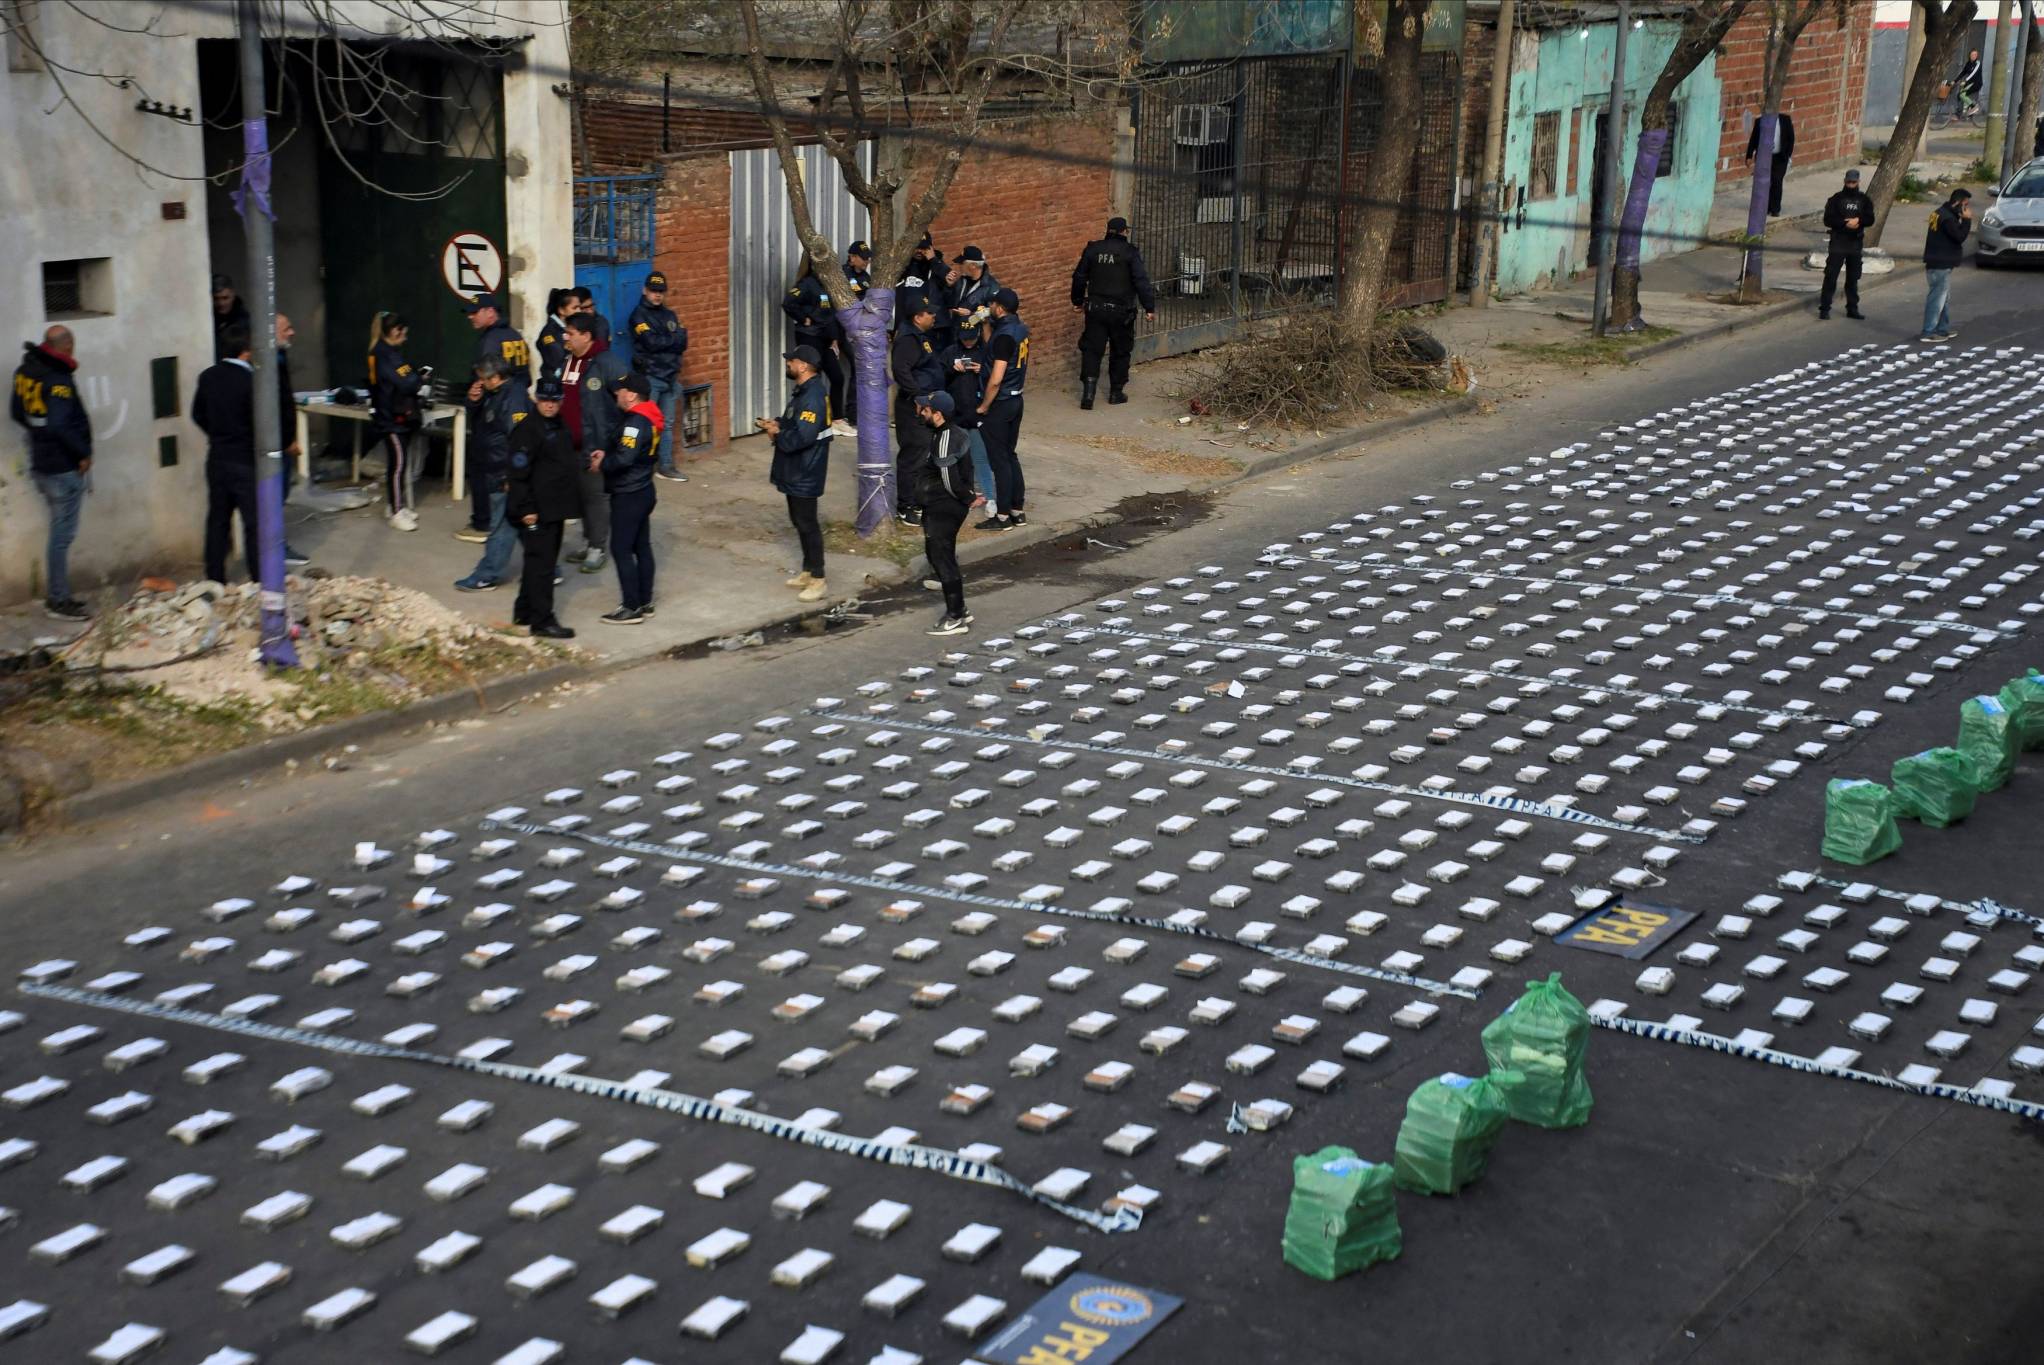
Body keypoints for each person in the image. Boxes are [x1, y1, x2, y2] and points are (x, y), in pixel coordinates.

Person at [10, 325, 92, 620]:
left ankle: (59, 595)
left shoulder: (27, 371)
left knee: (58, 533)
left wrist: (38, 433)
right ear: (67, 346)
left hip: (41, 463)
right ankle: (59, 599)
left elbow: (18, 413)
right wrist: (82, 453)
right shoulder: (58, 379)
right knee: (62, 536)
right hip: (62, 466)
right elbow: (59, 424)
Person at [508, 376, 581, 639]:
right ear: (536, 400)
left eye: (554, 400)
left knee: (539, 562)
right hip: (536, 509)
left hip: (555, 507)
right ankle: (542, 620)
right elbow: (518, 473)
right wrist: (527, 509)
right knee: (543, 566)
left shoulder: (557, 423)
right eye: (545, 400)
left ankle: (524, 611)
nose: (550, 405)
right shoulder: (528, 430)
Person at [454, 356, 535, 593]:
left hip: (504, 472)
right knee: (522, 525)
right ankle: (548, 568)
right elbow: (484, 421)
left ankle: (487, 575)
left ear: (496, 377)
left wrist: (513, 476)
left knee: (500, 525)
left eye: (484, 379)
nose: (481, 382)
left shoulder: (514, 398)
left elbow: (520, 440)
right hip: (496, 469)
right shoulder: (496, 394)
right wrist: (473, 400)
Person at [761, 344, 834, 605]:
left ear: (803, 366)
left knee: (807, 523)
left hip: (806, 469)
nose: (788, 365)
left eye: (791, 361)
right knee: (799, 521)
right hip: (797, 469)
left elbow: (804, 436)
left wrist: (778, 434)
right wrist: (778, 423)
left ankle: (818, 578)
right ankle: (808, 570)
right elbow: (796, 422)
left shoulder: (813, 396)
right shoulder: (804, 391)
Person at [192, 323, 263, 585]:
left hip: (217, 456)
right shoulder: (252, 381)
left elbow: (197, 414)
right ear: (246, 351)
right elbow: (260, 421)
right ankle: (260, 579)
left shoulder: (208, 376)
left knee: (218, 520)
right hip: (244, 458)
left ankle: (214, 578)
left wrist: (217, 433)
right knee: (254, 522)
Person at [560, 314, 628, 573]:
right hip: (571, 444)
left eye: (571, 333)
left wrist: (613, 438)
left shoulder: (607, 363)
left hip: (595, 446)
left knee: (595, 497)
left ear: (586, 336)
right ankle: (589, 541)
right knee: (581, 496)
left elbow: (628, 400)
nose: (566, 337)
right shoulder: (568, 362)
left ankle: (598, 547)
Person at [593, 369, 662, 624]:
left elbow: (625, 458)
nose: (616, 395)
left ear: (631, 395)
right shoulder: (650, 416)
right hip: (643, 489)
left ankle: (631, 607)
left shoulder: (634, 423)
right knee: (641, 546)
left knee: (621, 548)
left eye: (619, 391)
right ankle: (645, 600)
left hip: (629, 493)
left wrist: (603, 463)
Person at [462, 294, 530, 540]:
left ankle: (484, 523)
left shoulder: (489, 341)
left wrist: (474, 398)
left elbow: (483, 380)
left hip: (493, 412)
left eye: (475, 311)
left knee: (483, 466)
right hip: (517, 403)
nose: (471, 316)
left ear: (491, 312)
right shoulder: (515, 335)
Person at [1071, 215, 1157, 408]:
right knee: (1120, 351)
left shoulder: (1093, 250)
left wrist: (1077, 301)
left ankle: (1088, 396)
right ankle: (1116, 393)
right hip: (1121, 313)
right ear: (1124, 231)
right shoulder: (1130, 252)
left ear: (1107, 230)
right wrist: (1149, 307)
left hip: (1096, 310)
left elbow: (1079, 277)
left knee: (1092, 350)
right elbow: (1140, 281)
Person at [912, 390, 977, 637]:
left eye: (925, 410)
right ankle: (960, 607)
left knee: (942, 558)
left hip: (944, 506)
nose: (921, 413)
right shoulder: (947, 432)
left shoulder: (945, 439)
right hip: (942, 505)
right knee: (937, 553)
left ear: (937, 415)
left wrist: (967, 499)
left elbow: (949, 479)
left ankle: (956, 618)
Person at [368, 310, 428, 532]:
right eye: (404, 333)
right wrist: (417, 379)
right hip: (391, 418)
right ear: (394, 331)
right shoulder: (384, 355)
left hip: (397, 415)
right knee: (398, 464)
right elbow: (407, 383)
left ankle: (396, 504)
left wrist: (414, 378)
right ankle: (395, 511)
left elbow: (406, 379)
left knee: (399, 464)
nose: (406, 337)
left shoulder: (388, 352)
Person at [627, 270, 689, 483]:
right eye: (653, 291)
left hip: (670, 377)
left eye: (661, 291)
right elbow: (650, 343)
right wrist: (672, 339)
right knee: (644, 422)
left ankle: (665, 465)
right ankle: (638, 466)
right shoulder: (638, 315)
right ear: (645, 291)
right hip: (650, 377)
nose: (657, 295)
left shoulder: (669, 314)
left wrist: (667, 340)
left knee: (666, 424)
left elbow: (683, 342)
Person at [976, 287, 1029, 531]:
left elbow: (996, 378)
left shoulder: (1005, 335)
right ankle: (1018, 510)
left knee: (1000, 460)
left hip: (1001, 402)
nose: (991, 307)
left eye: (993, 305)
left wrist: (984, 406)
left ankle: (1004, 515)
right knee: (1010, 455)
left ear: (1000, 307)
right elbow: (993, 351)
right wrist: (986, 324)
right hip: (1016, 399)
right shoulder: (1019, 329)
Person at [889, 296, 945, 527]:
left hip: (924, 403)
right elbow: (901, 370)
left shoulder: (919, 336)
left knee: (923, 454)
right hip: (913, 407)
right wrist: (919, 397)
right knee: (913, 455)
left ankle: (917, 500)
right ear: (917, 317)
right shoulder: (908, 339)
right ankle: (906, 506)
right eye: (929, 313)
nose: (933, 316)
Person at [938, 308, 999, 512]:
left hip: (976, 413)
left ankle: (990, 497)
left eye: (972, 338)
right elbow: (940, 381)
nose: (968, 343)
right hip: (954, 415)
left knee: (979, 457)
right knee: (955, 458)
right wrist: (951, 371)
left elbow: (996, 380)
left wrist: (983, 371)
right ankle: (963, 494)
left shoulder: (985, 353)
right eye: (965, 339)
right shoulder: (949, 353)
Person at [781, 255, 847, 437]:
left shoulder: (828, 284)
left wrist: (834, 338)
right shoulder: (807, 284)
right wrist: (804, 319)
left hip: (825, 339)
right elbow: (788, 303)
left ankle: (837, 420)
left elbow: (831, 314)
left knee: (837, 377)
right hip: (809, 338)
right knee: (811, 380)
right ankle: (810, 418)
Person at [272, 312, 309, 567]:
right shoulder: (267, 365)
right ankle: (274, 547)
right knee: (272, 496)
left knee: (280, 493)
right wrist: (285, 439)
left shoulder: (280, 358)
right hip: (273, 444)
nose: (292, 332)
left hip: (282, 441)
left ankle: (274, 545)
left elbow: (285, 403)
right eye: (286, 328)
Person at [1818, 168, 1872, 322]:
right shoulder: (1836, 199)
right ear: (1844, 181)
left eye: (1853, 182)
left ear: (1858, 182)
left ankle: (1852, 308)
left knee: (1853, 278)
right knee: (1831, 276)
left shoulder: (1864, 200)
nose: (1851, 185)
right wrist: (1844, 223)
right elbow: (1828, 219)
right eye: (1849, 182)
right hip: (1838, 241)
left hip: (1855, 242)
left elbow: (1870, 218)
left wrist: (1859, 221)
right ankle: (1824, 308)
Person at [1920, 187, 1971, 343]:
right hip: (1940, 263)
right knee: (1937, 298)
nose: (1966, 208)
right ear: (1958, 203)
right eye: (1965, 205)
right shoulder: (1948, 218)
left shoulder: (1940, 212)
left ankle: (1942, 329)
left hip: (1938, 261)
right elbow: (1959, 237)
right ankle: (1928, 332)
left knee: (1943, 297)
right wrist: (1967, 220)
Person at [839, 239, 874, 428]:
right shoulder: (843, 275)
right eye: (863, 258)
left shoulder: (866, 278)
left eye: (868, 258)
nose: (866, 261)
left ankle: (858, 412)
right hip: (846, 330)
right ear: (852, 257)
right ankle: (852, 414)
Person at [1744, 109, 1796, 218]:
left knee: (1777, 181)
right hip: (1764, 156)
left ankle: (1775, 208)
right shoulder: (1760, 121)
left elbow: (1791, 138)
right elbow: (1753, 139)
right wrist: (1749, 156)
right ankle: (1764, 207)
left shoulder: (1785, 120)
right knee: (1764, 181)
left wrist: (1787, 154)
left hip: (1780, 157)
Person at [947, 246, 1000, 331]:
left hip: (974, 338)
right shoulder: (961, 280)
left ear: (973, 266)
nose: (959, 266)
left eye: (962, 263)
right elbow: (950, 303)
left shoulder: (991, 287)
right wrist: (949, 286)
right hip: (957, 333)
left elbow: (995, 314)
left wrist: (972, 315)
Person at [536, 287, 573, 382]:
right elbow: (555, 361)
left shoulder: (569, 328)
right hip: (556, 384)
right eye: (574, 308)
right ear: (561, 310)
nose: (579, 311)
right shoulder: (550, 332)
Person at [211, 274, 249, 361]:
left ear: (233, 295)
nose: (221, 303)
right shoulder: (208, 319)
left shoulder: (243, 319)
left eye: (225, 298)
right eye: (216, 299)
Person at [1958, 49, 1984, 116]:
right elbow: (1963, 73)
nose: (1973, 56)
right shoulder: (1968, 63)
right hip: (1970, 83)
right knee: (1959, 95)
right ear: (1969, 55)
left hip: (1976, 83)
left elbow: (1973, 73)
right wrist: (1955, 81)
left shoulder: (1978, 63)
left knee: (1962, 95)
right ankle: (1959, 113)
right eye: (1972, 54)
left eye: (1975, 55)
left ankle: (1973, 107)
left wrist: (1965, 81)